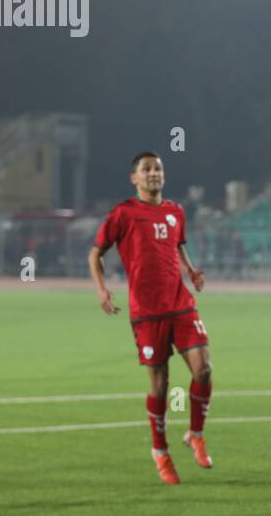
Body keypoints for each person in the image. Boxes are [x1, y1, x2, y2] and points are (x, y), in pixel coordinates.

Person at [88, 152, 213, 485]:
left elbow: (178, 244)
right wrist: (102, 289)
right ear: (135, 178)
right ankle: (160, 451)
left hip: (180, 302)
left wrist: (190, 269)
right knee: (160, 384)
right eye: (146, 169)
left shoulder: (176, 211)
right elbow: (95, 252)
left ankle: (195, 434)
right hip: (147, 312)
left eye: (158, 168)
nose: (154, 173)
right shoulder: (123, 214)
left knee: (204, 368)